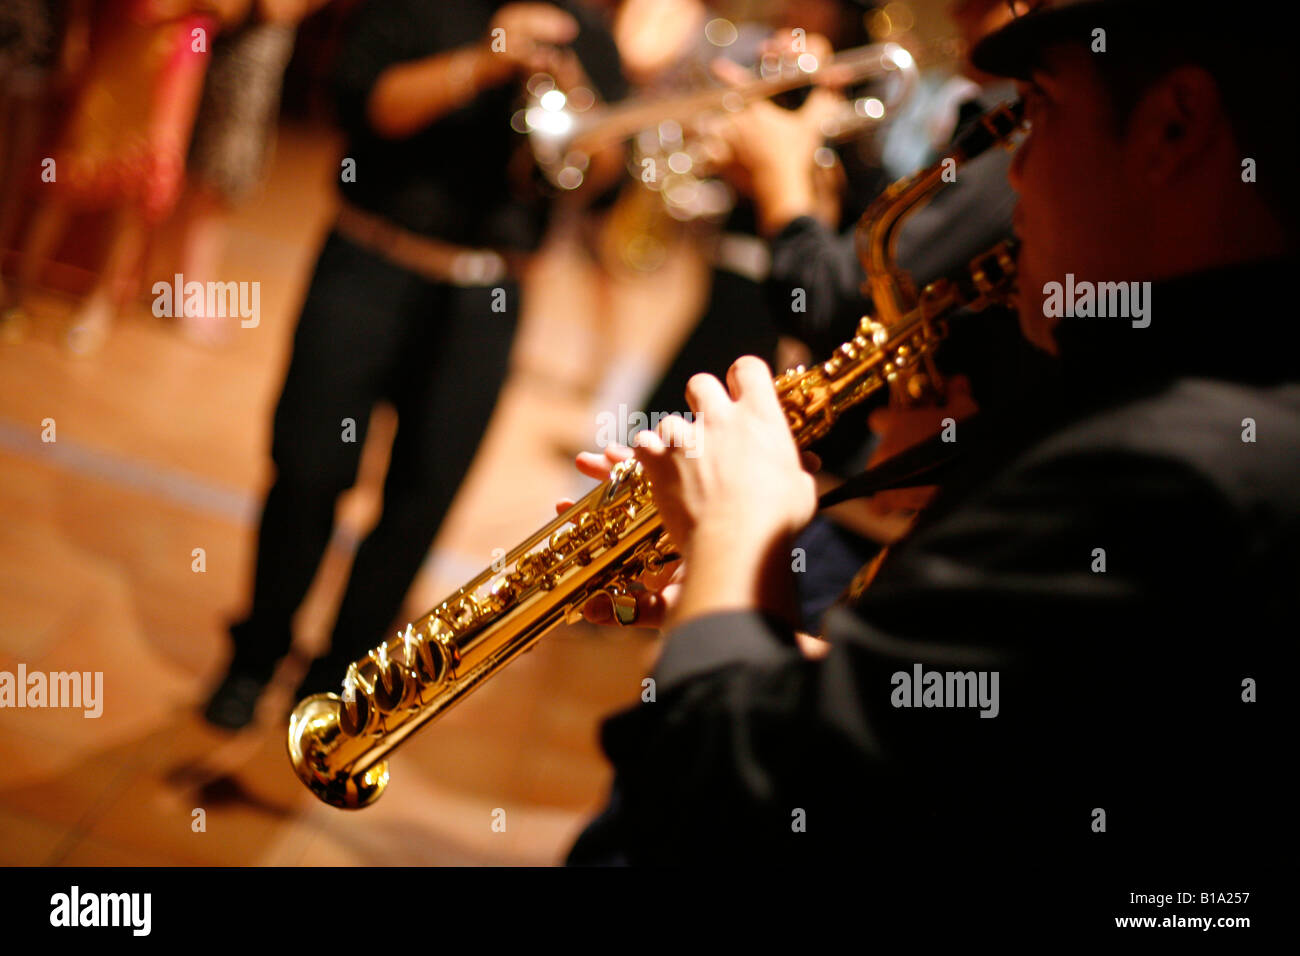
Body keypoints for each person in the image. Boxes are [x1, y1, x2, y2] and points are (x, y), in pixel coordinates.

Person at [566, 0, 1294, 871]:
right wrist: (737, 598)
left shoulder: (1166, 469)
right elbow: (975, 762)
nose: (1015, 174)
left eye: (1042, 111)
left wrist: (734, 532)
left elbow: (734, 801)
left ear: (1174, 126)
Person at [203, 0, 626, 729]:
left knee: (421, 500)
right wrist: (490, 60)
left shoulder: (585, 30)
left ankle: (342, 680)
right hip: (370, 263)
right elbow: (368, 107)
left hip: (486, 301)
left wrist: (585, 110)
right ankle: (255, 655)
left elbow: (604, 180)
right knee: (308, 469)